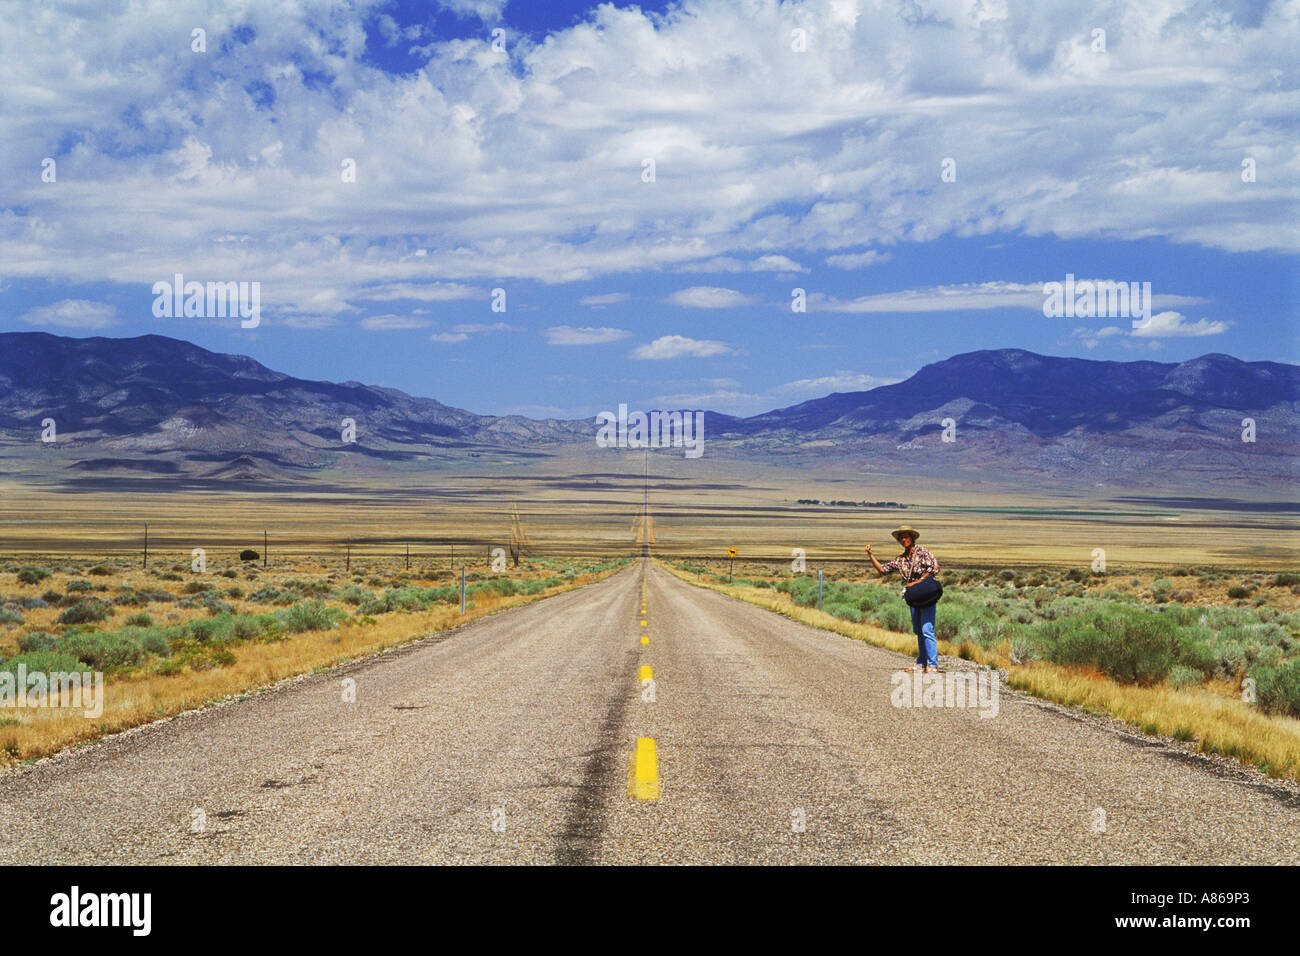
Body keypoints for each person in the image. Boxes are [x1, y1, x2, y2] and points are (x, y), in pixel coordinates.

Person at [865, 525, 941, 673]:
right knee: (918, 630)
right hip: (914, 597)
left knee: (927, 629)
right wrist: (870, 555)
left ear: (912, 538)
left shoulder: (922, 552)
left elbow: (935, 568)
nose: (903, 540)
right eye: (901, 538)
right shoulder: (900, 560)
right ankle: (921, 663)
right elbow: (882, 570)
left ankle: (933, 664)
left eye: (906, 537)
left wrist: (918, 582)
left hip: (925, 593)